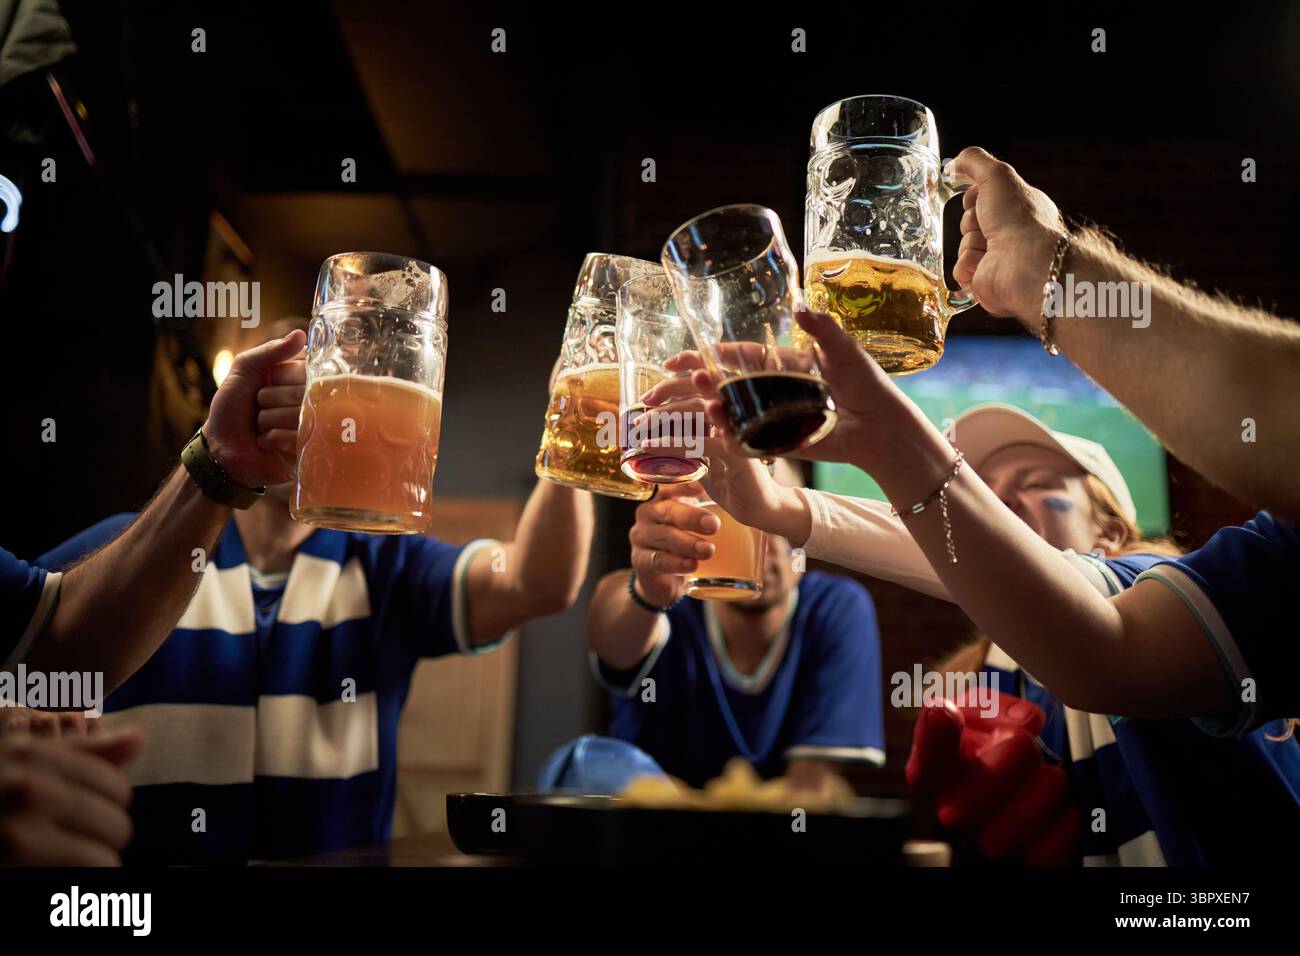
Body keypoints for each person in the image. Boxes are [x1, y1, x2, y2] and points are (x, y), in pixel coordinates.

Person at [35, 319, 596, 864]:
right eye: (283, 383)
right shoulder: (130, 556)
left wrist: (570, 409)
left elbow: (539, 582)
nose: (305, 408)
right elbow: (23, 658)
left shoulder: (385, 565)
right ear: (239, 397)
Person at [950, 147, 1300, 522]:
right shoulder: (1248, 551)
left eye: (1036, 483)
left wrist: (1033, 265)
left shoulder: (1178, 569)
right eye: (981, 489)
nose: (998, 502)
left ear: (1111, 532)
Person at [584, 462, 884, 795]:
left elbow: (811, 788)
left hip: (773, 838)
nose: (763, 541)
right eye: (741, 510)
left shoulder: (833, 606)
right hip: (650, 834)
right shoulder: (674, 596)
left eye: (779, 517)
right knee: (583, 765)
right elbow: (610, 641)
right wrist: (647, 593)